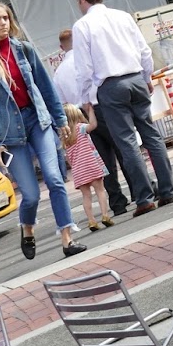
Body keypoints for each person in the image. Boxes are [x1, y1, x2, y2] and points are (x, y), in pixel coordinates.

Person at [0, 2, 85, 262]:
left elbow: (45, 86)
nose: (4, 23)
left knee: (55, 179)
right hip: (10, 133)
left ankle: (67, 238)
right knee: (30, 195)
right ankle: (28, 228)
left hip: (38, 121)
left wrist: (59, 119)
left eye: (6, 18)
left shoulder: (24, 49)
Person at [70, 0, 173, 219]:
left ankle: (145, 197)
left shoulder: (82, 25)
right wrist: (147, 77)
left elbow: (84, 68)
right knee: (151, 134)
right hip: (135, 77)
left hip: (111, 85)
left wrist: (86, 98)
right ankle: (167, 190)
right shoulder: (123, 16)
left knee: (127, 141)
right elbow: (144, 50)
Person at [54, 28, 129, 215]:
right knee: (121, 149)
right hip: (99, 106)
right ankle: (138, 190)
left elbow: (61, 102)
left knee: (101, 158)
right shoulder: (87, 59)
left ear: (61, 48)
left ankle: (117, 201)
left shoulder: (59, 73)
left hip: (77, 116)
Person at [61, 104, 114, 233]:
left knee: (86, 196)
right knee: (100, 191)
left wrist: (75, 167)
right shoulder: (80, 128)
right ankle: (105, 215)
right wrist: (90, 111)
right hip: (91, 165)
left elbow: (68, 158)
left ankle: (91, 220)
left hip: (78, 171)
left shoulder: (65, 136)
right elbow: (93, 125)